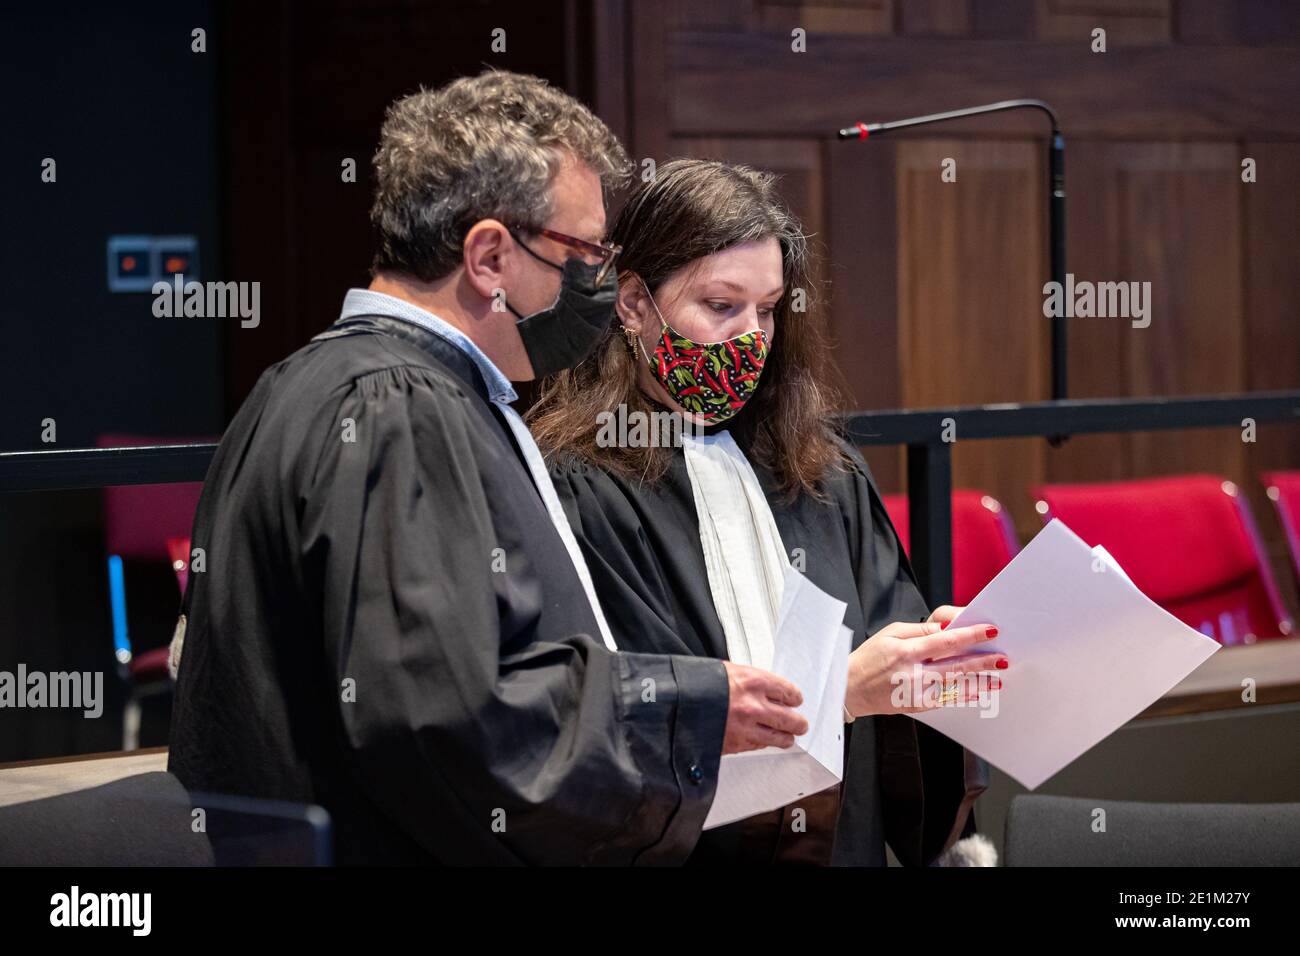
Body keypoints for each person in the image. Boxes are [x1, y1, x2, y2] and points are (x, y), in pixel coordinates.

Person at [167, 73, 810, 866]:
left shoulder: (298, 383)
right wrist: (684, 706)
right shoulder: (400, 409)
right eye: (581, 253)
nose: (598, 286)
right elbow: (451, 716)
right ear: (490, 257)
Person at [528, 158, 1004, 865]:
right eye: (722, 306)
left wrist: (930, 662)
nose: (751, 336)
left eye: (770, 309)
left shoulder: (822, 473)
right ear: (632, 304)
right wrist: (838, 693)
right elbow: (626, 719)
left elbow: (886, 655)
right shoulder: (580, 488)